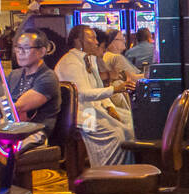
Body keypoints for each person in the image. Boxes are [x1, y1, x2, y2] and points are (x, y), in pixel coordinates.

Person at [54, 25, 136, 165]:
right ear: (78, 42)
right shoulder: (70, 62)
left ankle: (127, 170)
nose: (97, 42)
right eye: (91, 38)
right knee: (118, 133)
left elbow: (97, 88)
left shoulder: (88, 60)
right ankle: (105, 174)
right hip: (81, 116)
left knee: (131, 122)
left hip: (91, 110)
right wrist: (115, 89)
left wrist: (110, 107)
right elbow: (84, 94)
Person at [9, 29, 61, 142]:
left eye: (26, 48)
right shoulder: (14, 75)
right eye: (18, 47)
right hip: (14, 128)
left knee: (1, 150)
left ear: (42, 52)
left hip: (36, 133)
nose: (20, 52)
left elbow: (19, 107)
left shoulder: (48, 77)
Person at [100, 28, 142, 112]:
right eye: (121, 38)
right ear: (112, 42)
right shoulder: (115, 57)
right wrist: (151, 74)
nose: (124, 40)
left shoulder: (106, 55)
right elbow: (133, 78)